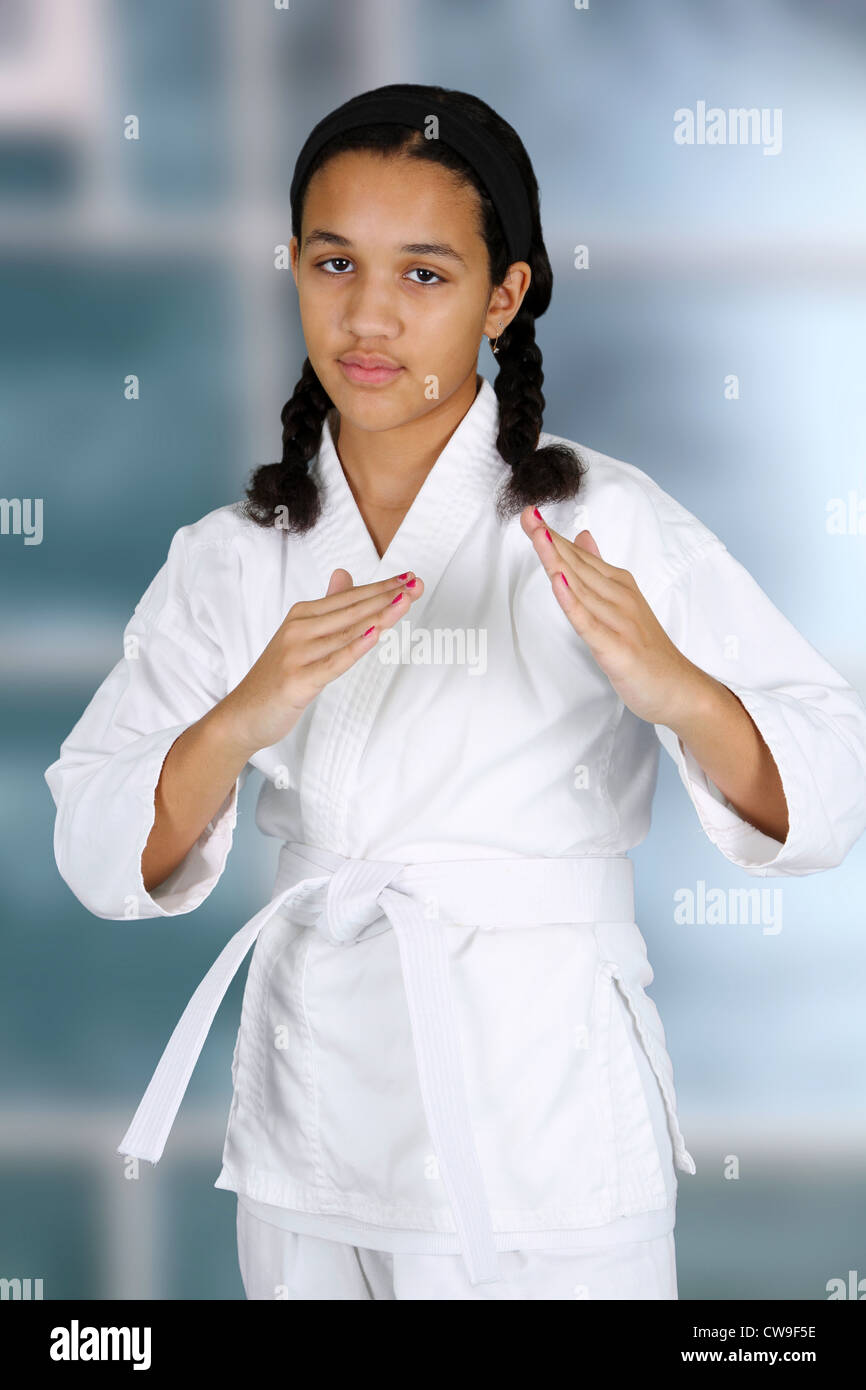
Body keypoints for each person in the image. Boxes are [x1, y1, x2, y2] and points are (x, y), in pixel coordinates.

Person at [44, 83, 866, 1302]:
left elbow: (833, 782)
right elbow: (95, 843)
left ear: (503, 294)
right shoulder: (230, 554)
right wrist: (240, 719)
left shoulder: (600, 517)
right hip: (311, 1117)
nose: (367, 316)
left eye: (423, 274)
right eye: (333, 262)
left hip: (542, 1125)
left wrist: (681, 690)